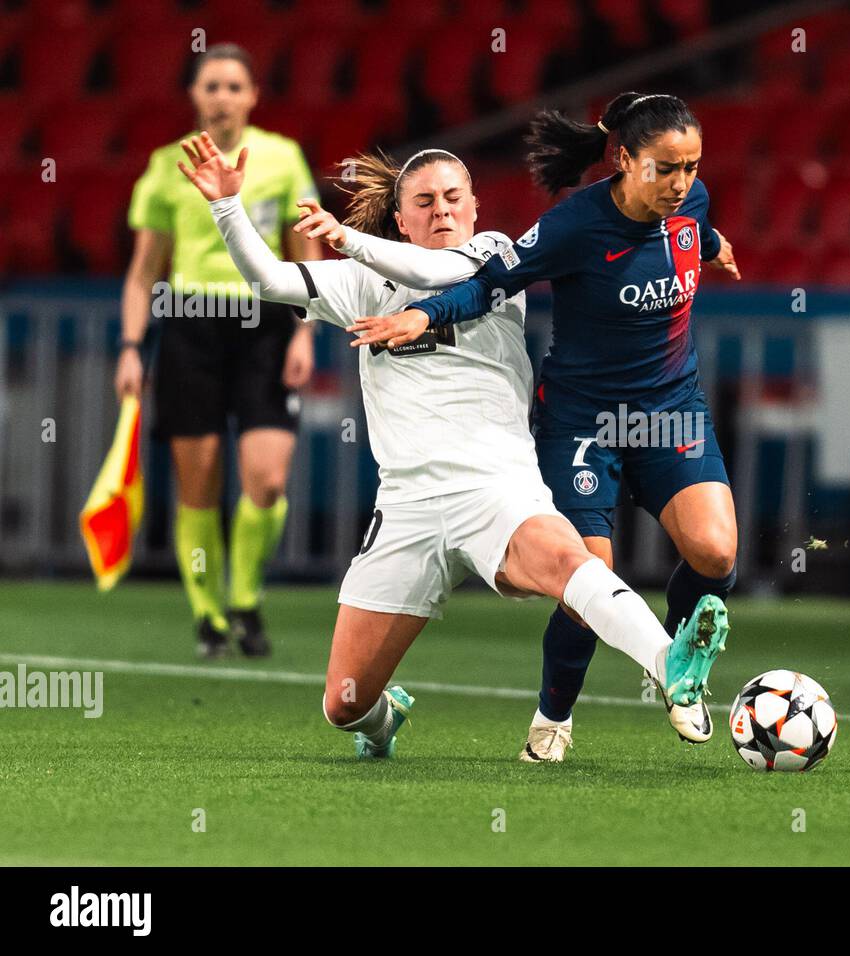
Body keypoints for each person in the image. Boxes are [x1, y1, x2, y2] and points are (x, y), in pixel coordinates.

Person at [175, 131, 727, 759]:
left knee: (573, 565)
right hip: (408, 503)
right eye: (425, 202)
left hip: (498, 485)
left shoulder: (494, 257)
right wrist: (227, 206)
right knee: (345, 702)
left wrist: (349, 237)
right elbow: (270, 281)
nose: (442, 210)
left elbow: (435, 273)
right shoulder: (360, 282)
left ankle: (672, 665)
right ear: (402, 219)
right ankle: (384, 725)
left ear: (474, 208)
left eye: (453, 197)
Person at [348, 92, 741, 761]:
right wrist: (424, 316)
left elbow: (695, 235)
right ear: (624, 160)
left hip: (671, 411)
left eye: (692, 168)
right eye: (665, 169)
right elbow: (489, 283)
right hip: (582, 421)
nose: (680, 183)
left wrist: (716, 245)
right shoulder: (574, 227)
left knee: (716, 554)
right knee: (589, 576)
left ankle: (679, 665)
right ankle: (552, 718)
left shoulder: (690, 205)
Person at [116, 43, 321, 658]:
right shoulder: (163, 165)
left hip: (265, 327)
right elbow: (142, 272)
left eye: (235, 86)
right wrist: (130, 347)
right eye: (212, 86)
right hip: (189, 329)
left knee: (267, 479)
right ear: (194, 95)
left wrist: (307, 329)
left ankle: (245, 598)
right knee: (197, 486)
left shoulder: (282, 158)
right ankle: (208, 615)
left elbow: (305, 250)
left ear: (254, 95)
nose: (223, 96)